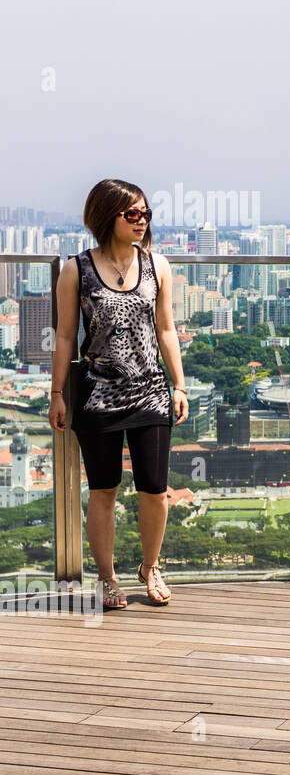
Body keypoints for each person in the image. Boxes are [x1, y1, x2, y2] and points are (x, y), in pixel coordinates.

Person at [49, 179, 189, 609]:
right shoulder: (77, 269)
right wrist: (57, 392)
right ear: (107, 216)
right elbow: (66, 337)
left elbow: (166, 330)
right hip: (97, 395)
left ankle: (150, 566)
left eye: (146, 213)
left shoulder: (157, 266)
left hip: (150, 390)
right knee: (104, 490)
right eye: (133, 213)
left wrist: (179, 384)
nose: (142, 220)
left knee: (154, 488)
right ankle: (107, 578)